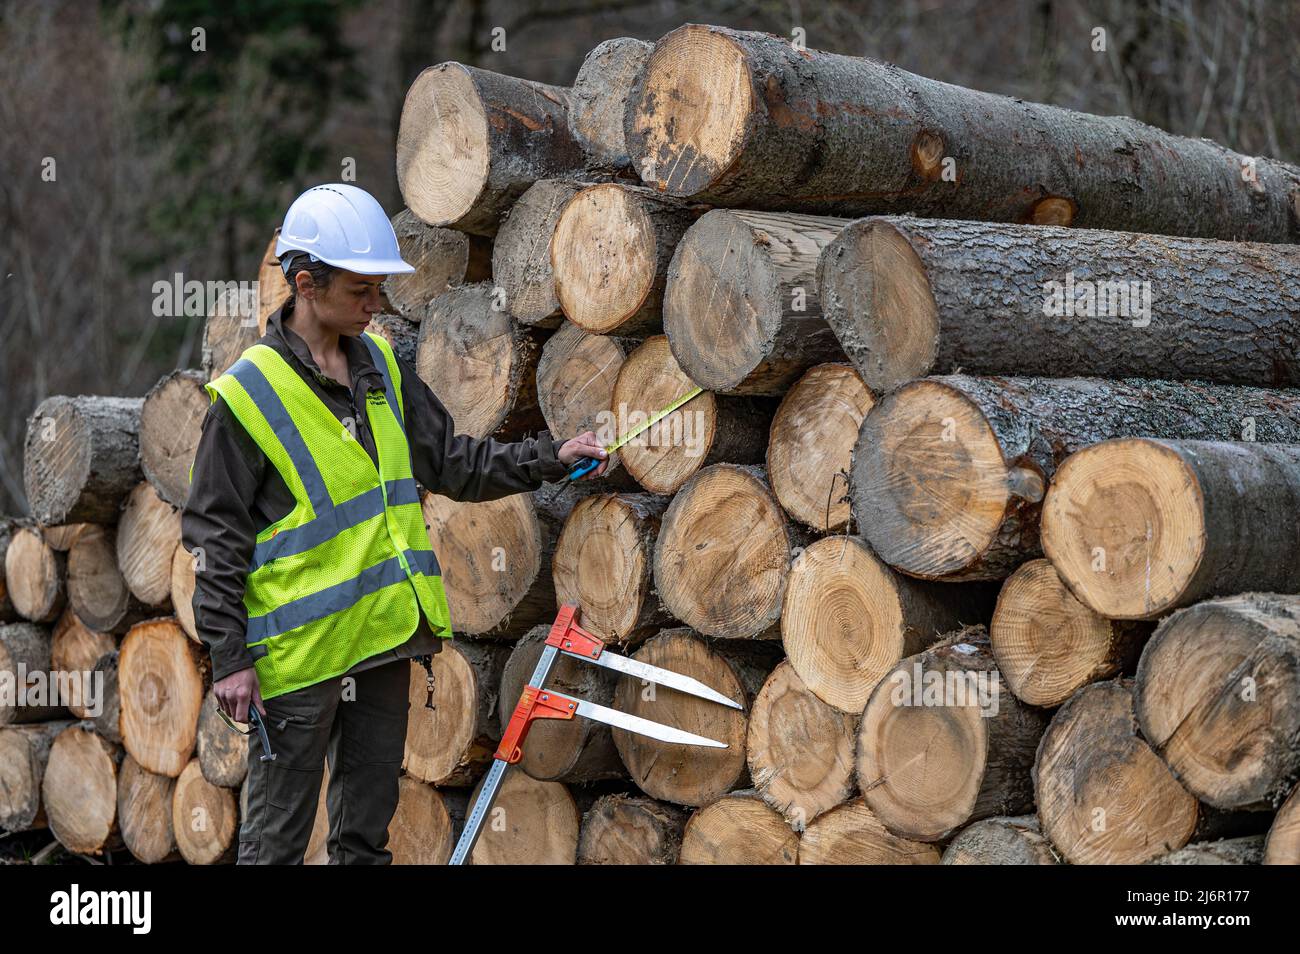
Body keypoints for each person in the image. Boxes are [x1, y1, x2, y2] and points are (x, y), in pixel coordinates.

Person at [180, 183, 608, 864]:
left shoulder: (379, 363)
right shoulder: (247, 395)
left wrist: (548, 457)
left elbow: (453, 464)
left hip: (382, 644)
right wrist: (230, 659)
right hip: (297, 662)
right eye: (361, 290)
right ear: (304, 283)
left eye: (378, 288)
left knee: (364, 841)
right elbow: (214, 537)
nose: (376, 303)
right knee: (274, 847)